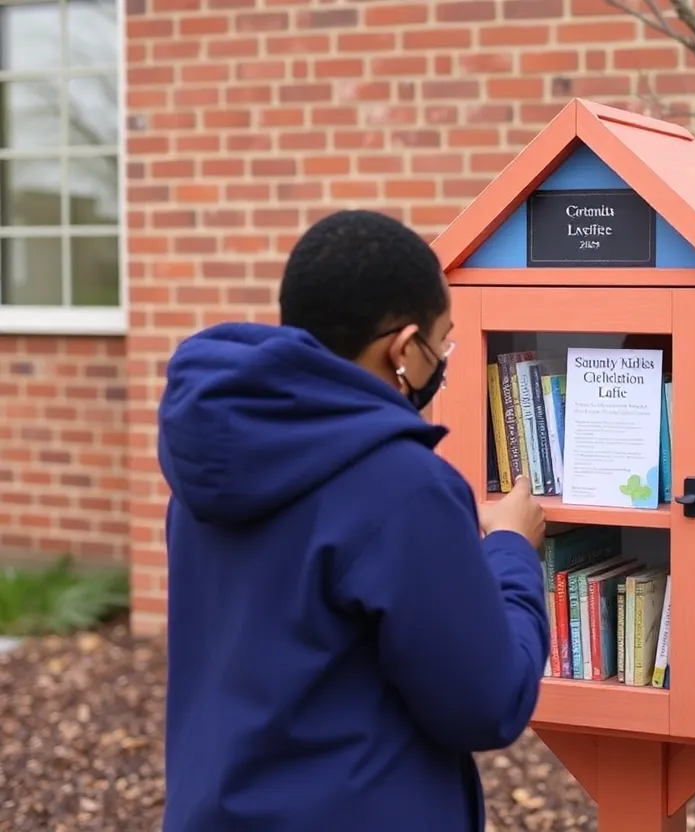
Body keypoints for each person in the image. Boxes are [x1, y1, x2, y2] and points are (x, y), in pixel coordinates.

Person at [157, 209, 549, 831]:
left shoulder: (210, 452)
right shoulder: (403, 486)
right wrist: (509, 550)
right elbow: (488, 703)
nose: (438, 364)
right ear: (401, 348)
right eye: (438, 345)